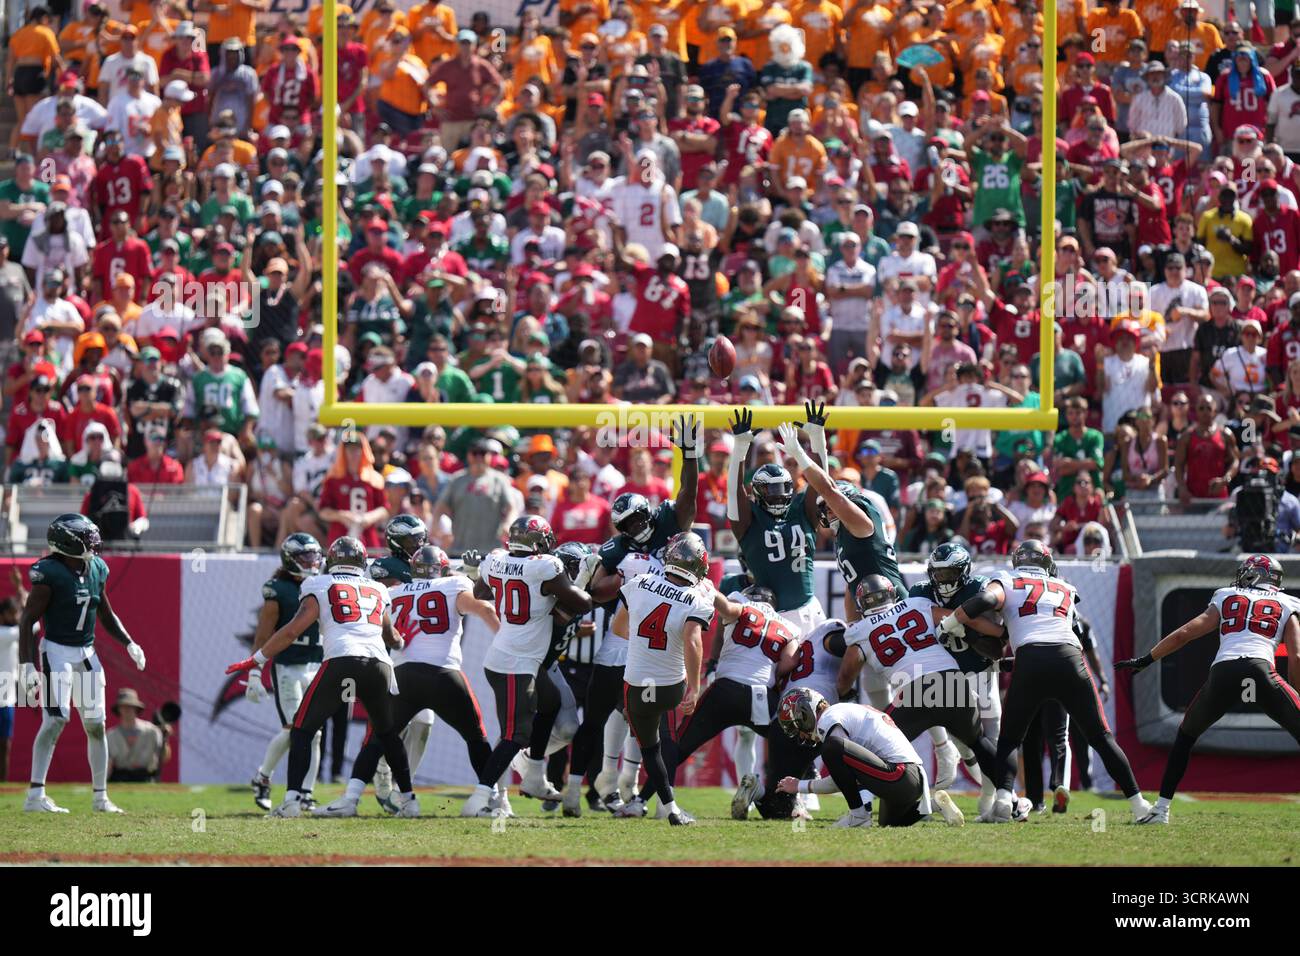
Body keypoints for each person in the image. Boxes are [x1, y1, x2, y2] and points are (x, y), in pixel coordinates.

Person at [938, 539, 1151, 824]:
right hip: (1070, 658)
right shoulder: (1065, 586)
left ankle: (1003, 801)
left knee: (1010, 739)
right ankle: (1140, 806)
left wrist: (950, 623)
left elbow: (986, 601)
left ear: (1018, 561)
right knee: (1101, 737)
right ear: (1047, 563)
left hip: (1031, 658)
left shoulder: (1007, 579)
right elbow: (1066, 629)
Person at [225, 536, 415, 819]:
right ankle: (409, 801)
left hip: (342, 660)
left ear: (331, 560)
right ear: (362, 562)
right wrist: (401, 642)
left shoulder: (318, 584)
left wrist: (257, 660)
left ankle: (292, 801)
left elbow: (292, 630)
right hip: (379, 665)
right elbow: (391, 636)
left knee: (302, 730)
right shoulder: (376, 588)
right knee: (387, 734)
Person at [318, 544, 501, 817]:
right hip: (444, 674)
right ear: (442, 570)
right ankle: (490, 799)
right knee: (476, 737)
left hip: (403, 676)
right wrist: (504, 639)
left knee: (377, 739)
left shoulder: (394, 591)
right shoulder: (454, 584)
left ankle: (351, 799)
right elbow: (484, 608)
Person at [1121, 556, 1300, 825]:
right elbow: (1296, 655)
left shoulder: (1226, 595)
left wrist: (1146, 659)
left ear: (1253, 574)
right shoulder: (1288, 602)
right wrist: (1296, 693)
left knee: (1185, 737)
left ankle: (1161, 809)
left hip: (1223, 672)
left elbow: (1185, 633)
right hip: (1261, 671)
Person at [458, 516, 591, 818]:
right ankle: (481, 798)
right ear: (538, 542)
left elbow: (481, 592)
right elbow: (582, 603)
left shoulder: (496, 559)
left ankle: (534, 775)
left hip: (513, 657)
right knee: (515, 734)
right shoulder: (544, 566)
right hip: (514, 663)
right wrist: (584, 577)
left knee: (551, 702)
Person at [19, 514, 147, 813]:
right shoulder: (49, 572)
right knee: (55, 720)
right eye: (86, 538)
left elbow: (105, 613)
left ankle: (100, 797)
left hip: (86, 654)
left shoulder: (97, 568)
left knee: (96, 725)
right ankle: (35, 795)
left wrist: (129, 642)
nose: (94, 542)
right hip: (57, 651)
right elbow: (27, 620)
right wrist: (27, 665)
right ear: (67, 542)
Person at [609, 531, 713, 825]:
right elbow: (693, 642)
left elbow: (619, 628)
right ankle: (671, 811)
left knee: (650, 749)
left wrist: (644, 646)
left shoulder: (639, 583)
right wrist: (695, 687)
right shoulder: (697, 599)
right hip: (670, 688)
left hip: (635, 686)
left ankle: (659, 802)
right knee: (666, 738)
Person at [774, 685, 961, 828]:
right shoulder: (841, 712)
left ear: (806, 714)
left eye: (797, 726)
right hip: (910, 778)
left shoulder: (829, 719)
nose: (801, 735)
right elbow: (846, 776)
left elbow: (838, 774)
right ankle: (936, 805)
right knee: (890, 823)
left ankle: (858, 815)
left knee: (832, 747)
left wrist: (800, 785)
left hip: (900, 775)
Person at [105, 687, 170, 782]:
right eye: (123, 706)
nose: (127, 709)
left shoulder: (152, 731)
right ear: (118, 709)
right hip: (120, 779)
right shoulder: (110, 735)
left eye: (130, 706)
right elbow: (108, 763)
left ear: (136, 708)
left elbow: (164, 757)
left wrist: (165, 739)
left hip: (145, 778)